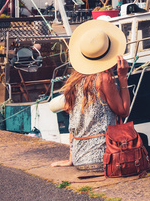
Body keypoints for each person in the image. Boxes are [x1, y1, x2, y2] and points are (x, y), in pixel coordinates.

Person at [51, 20, 131, 171]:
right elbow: (124, 111)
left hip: (79, 158)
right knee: (148, 154)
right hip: (104, 158)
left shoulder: (74, 80)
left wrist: (71, 159)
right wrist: (122, 78)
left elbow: (73, 122)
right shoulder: (103, 78)